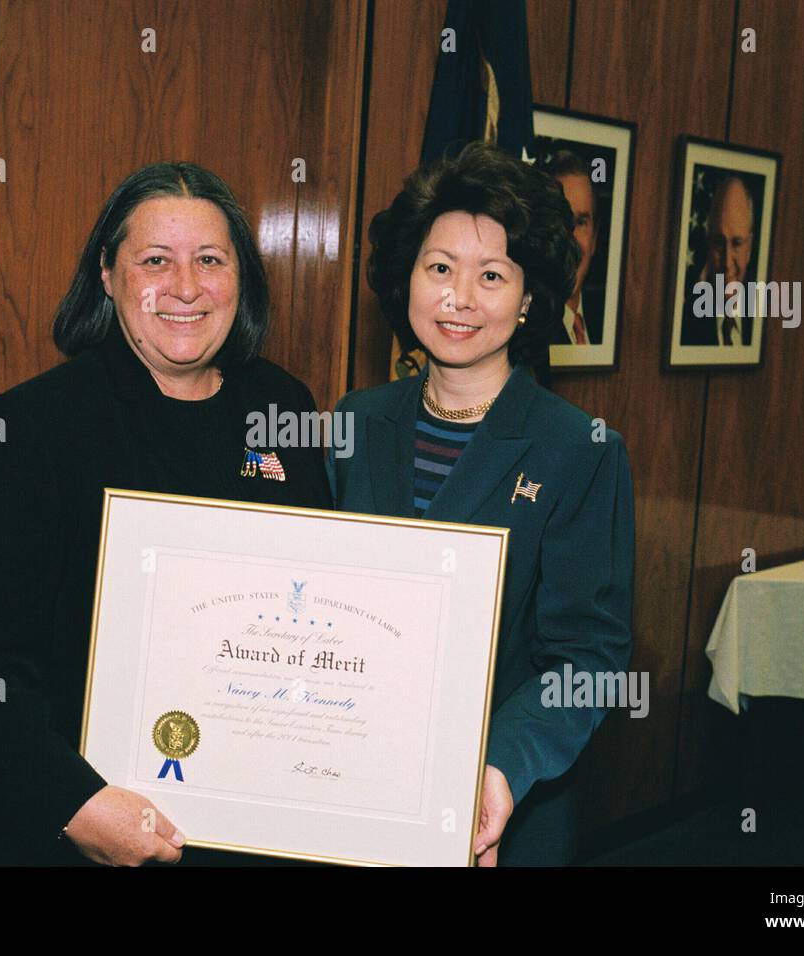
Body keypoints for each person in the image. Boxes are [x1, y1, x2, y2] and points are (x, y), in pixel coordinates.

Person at [0, 162, 331, 866]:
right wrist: (74, 805)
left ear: (242, 279)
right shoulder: (29, 426)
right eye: (154, 261)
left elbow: (315, 604)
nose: (185, 286)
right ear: (108, 275)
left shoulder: (285, 409)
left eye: (210, 259)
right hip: (77, 834)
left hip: (252, 829)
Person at [328, 141, 635, 866]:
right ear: (407, 279)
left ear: (528, 300)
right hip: (350, 784)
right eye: (439, 268)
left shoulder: (580, 450)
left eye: (491, 275)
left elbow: (587, 658)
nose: (459, 298)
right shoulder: (352, 423)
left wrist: (498, 768)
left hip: (501, 806)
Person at [680, 173, 756, 346]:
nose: (727, 262)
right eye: (719, 244)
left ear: (749, 248)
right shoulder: (686, 325)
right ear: (708, 245)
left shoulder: (764, 319)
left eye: (737, 243)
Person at [545, 150, 604, 345]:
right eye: (562, 220)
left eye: (581, 222)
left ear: (594, 239)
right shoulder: (525, 330)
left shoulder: (607, 322)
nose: (571, 239)